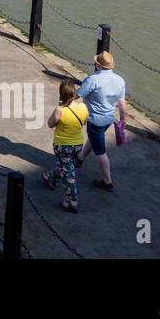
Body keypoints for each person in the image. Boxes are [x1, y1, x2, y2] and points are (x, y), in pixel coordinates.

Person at [77, 51, 127, 192]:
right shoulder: (120, 80)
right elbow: (122, 103)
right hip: (109, 119)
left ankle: (107, 182)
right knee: (94, 140)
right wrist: (122, 120)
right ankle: (80, 158)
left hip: (95, 120)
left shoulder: (92, 80)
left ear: (98, 65)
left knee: (100, 151)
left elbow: (78, 94)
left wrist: (64, 103)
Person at [43, 79, 87, 213]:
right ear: (74, 93)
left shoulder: (59, 110)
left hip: (63, 146)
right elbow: (84, 121)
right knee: (65, 164)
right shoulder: (83, 107)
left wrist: (60, 109)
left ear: (61, 94)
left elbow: (50, 124)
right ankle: (51, 179)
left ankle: (72, 201)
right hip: (78, 144)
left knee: (69, 174)